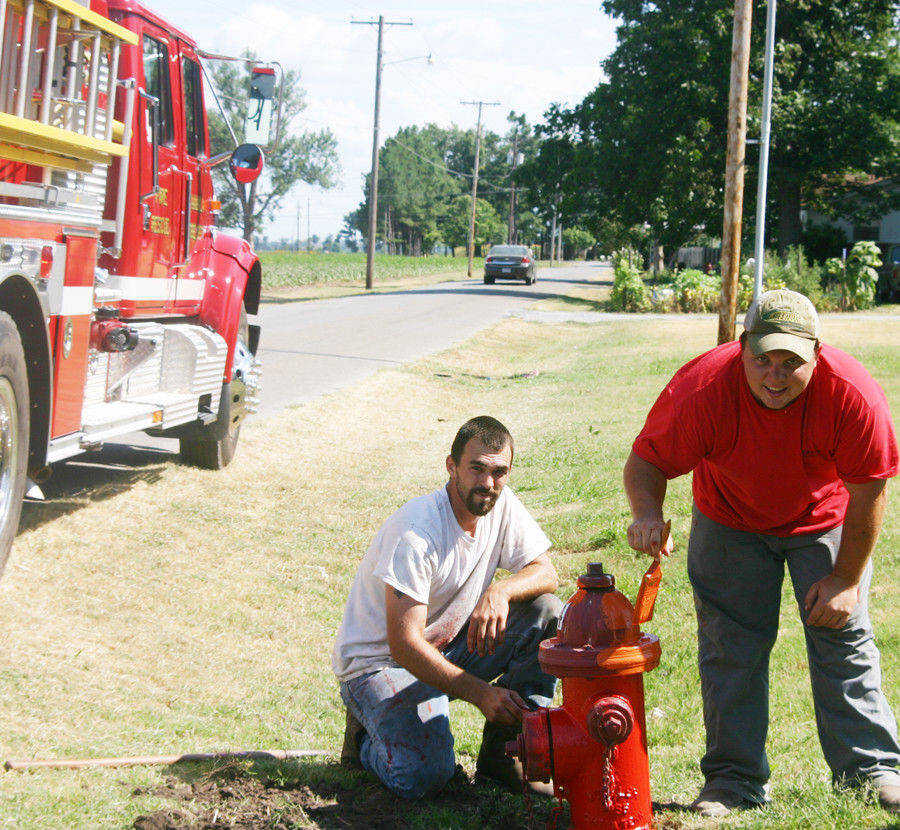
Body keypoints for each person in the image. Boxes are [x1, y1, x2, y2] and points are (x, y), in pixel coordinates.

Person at [623, 288, 899, 817]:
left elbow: (870, 491)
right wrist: (647, 513)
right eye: (762, 359)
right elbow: (646, 463)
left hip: (823, 517)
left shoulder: (851, 394)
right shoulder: (704, 387)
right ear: (741, 345)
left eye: (791, 362)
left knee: (843, 640)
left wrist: (844, 579)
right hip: (729, 519)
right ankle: (733, 781)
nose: (775, 375)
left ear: (817, 353)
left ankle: (872, 771)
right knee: (730, 648)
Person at [332, 416, 562, 800]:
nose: (488, 483)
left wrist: (501, 591)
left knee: (546, 612)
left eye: (499, 472)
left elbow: (546, 572)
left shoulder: (502, 506)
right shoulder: (418, 532)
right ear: (451, 466)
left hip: (446, 645)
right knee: (425, 776)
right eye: (476, 469)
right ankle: (363, 743)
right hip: (379, 664)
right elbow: (404, 645)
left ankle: (506, 754)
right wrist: (482, 694)